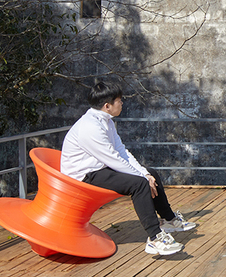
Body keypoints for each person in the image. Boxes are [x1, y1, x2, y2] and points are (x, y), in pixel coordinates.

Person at [61, 80, 196, 256]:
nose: (122, 103)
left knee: (151, 173)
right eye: (119, 100)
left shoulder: (106, 121)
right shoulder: (90, 127)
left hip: (99, 168)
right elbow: (113, 159)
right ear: (107, 105)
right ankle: (155, 239)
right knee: (139, 184)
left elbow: (121, 151)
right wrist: (142, 178)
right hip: (84, 176)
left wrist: (145, 173)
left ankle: (169, 219)